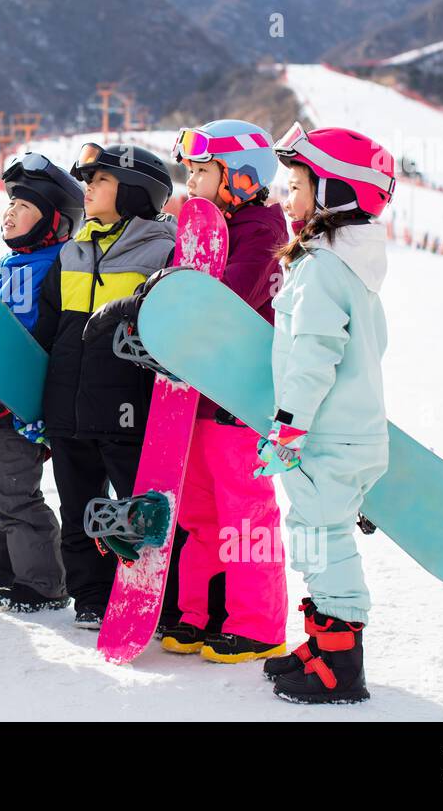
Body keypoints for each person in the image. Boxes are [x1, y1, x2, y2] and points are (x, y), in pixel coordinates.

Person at [258, 123, 397, 704]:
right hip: (352, 434)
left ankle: (340, 663)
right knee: (319, 533)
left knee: (323, 538)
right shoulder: (355, 266)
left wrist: (289, 424)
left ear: (335, 194)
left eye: (295, 185)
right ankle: (320, 643)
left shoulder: (321, 267)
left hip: (321, 435)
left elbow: (315, 351)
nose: (285, 197)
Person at [153, 120, 290, 663]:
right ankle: (201, 613)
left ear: (239, 177)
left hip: (241, 396)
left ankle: (258, 623)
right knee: (198, 511)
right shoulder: (203, 227)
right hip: (200, 395)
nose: (192, 181)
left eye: (203, 171)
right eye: (189, 171)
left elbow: (222, 300)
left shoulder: (263, 232)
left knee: (245, 511)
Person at [31, 144, 175, 628]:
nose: (88, 189)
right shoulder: (73, 250)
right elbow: (46, 328)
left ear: (135, 192)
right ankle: (90, 595)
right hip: (67, 407)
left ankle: (155, 594)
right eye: (88, 181)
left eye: (101, 180)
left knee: (137, 510)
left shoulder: (161, 252)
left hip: (126, 408)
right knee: (77, 509)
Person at [0, 154, 82, 612]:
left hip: (22, 405)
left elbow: (54, 335)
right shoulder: (8, 264)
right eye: (10, 203)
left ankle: (43, 582)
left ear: (55, 221)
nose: (10, 212)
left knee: (12, 494)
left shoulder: (62, 263)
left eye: (23, 206)